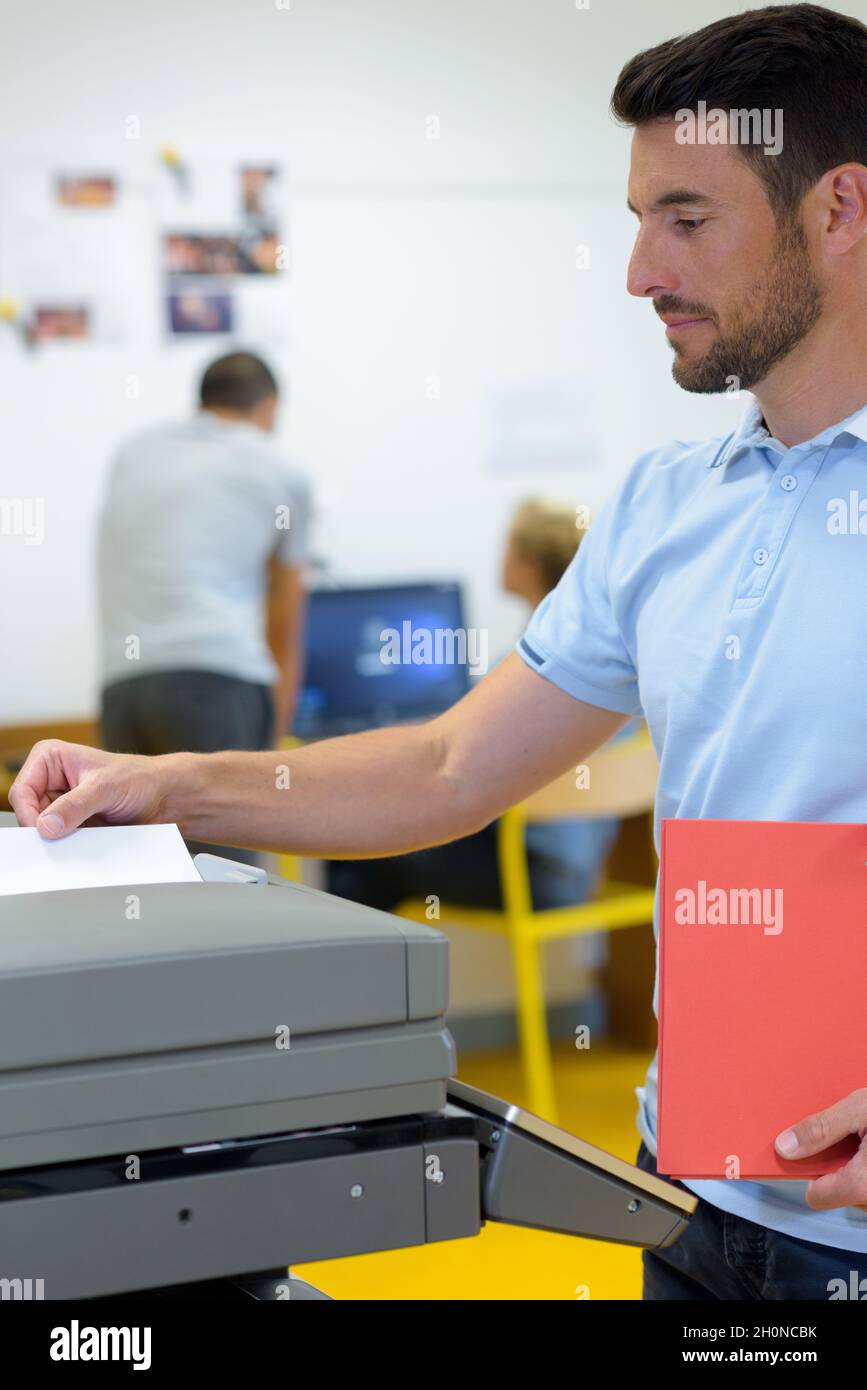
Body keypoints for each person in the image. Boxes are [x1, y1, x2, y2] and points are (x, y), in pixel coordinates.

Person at [12, 3, 867, 1298]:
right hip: (686, 1194)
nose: (638, 271)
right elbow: (448, 763)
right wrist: (169, 783)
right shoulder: (662, 505)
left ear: (836, 210)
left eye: (683, 218)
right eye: (634, 220)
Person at [326, 499, 628, 913]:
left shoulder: (528, 668)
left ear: (529, 564)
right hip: (584, 871)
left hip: (535, 877)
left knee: (353, 848)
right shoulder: (612, 664)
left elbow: (457, 766)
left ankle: (359, 975)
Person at [96, 351, 311, 863]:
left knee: (138, 878)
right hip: (216, 689)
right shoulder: (280, 469)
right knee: (224, 886)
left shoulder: (133, 452)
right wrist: (273, 738)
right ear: (269, 408)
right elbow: (286, 615)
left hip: (124, 690)